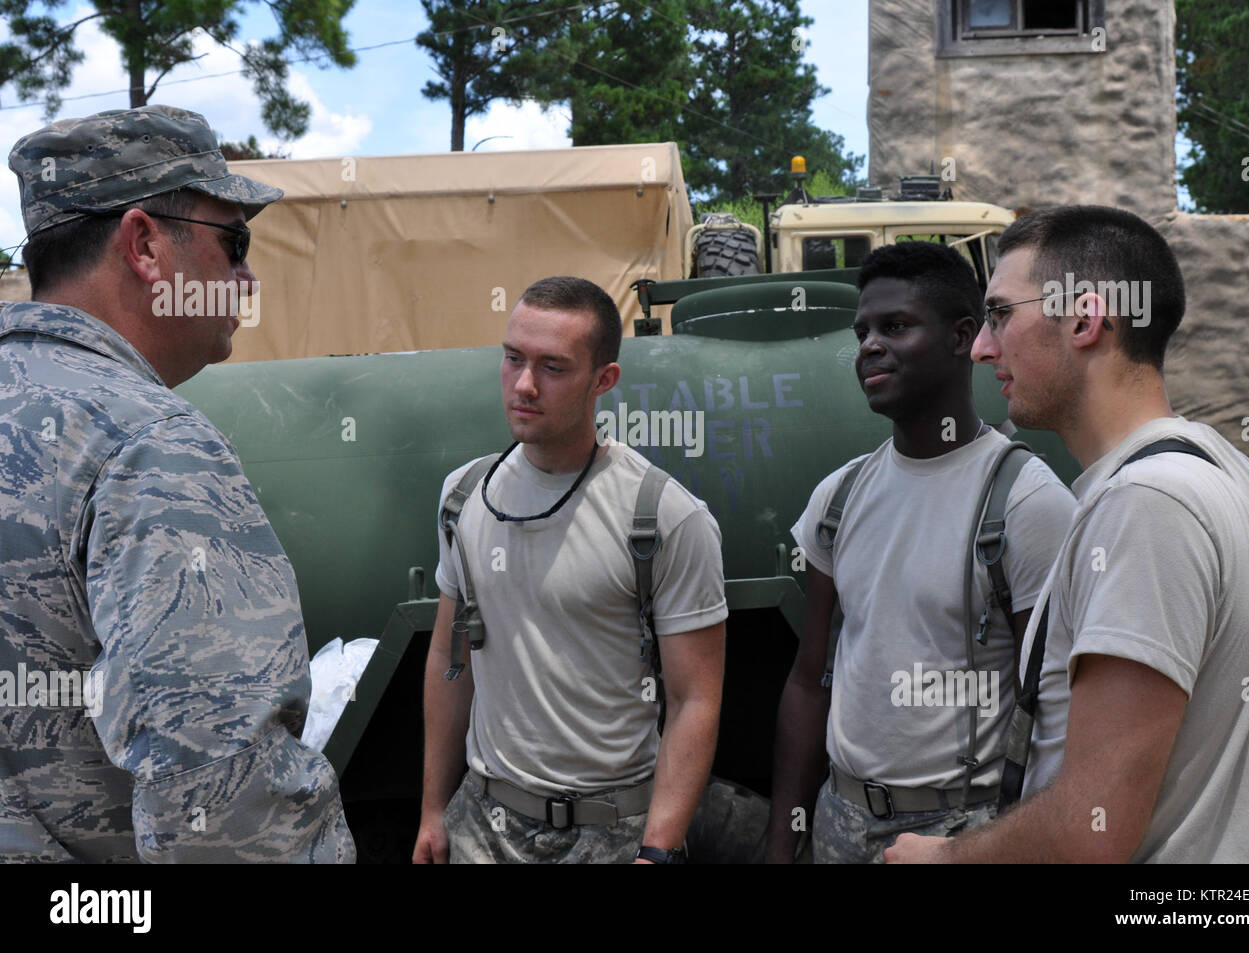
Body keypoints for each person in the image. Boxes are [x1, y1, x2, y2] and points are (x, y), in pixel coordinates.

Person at [0, 105, 354, 862]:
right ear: (145, 245)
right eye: (236, 242)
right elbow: (230, 812)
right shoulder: (147, 444)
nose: (247, 277)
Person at [886, 205, 1249, 864]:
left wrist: (945, 858)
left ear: (1085, 319)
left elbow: (1090, 831)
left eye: (999, 314)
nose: (983, 348)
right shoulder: (1231, 471)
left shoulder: (1146, 505)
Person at [766, 241, 1075, 864]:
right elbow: (808, 680)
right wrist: (783, 841)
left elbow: (1056, 711)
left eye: (896, 326)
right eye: (863, 331)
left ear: (963, 337)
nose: (870, 347)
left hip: (960, 832)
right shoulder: (839, 498)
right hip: (839, 820)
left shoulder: (1025, 501)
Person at [413, 276, 727, 864]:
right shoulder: (463, 498)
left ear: (603, 380)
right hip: (483, 826)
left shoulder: (662, 516)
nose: (524, 385)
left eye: (553, 368)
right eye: (513, 359)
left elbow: (694, 701)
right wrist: (434, 810)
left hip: (612, 832)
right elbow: (448, 660)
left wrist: (657, 850)